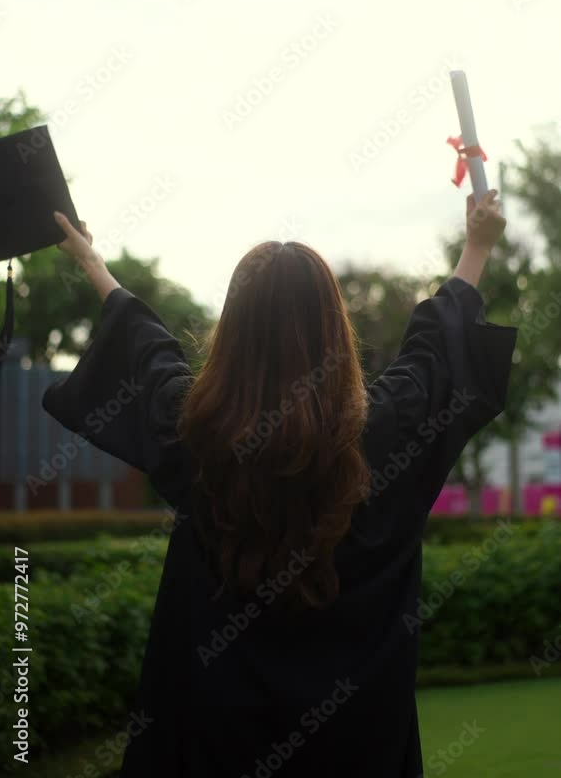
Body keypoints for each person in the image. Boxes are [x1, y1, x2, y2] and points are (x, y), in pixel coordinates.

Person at [42, 191, 517, 777]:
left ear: (236, 331)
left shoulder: (199, 435)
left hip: (214, 740)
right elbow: (437, 349)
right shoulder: (391, 431)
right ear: (334, 328)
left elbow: (147, 350)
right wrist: (477, 245)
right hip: (354, 744)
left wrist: (93, 263)